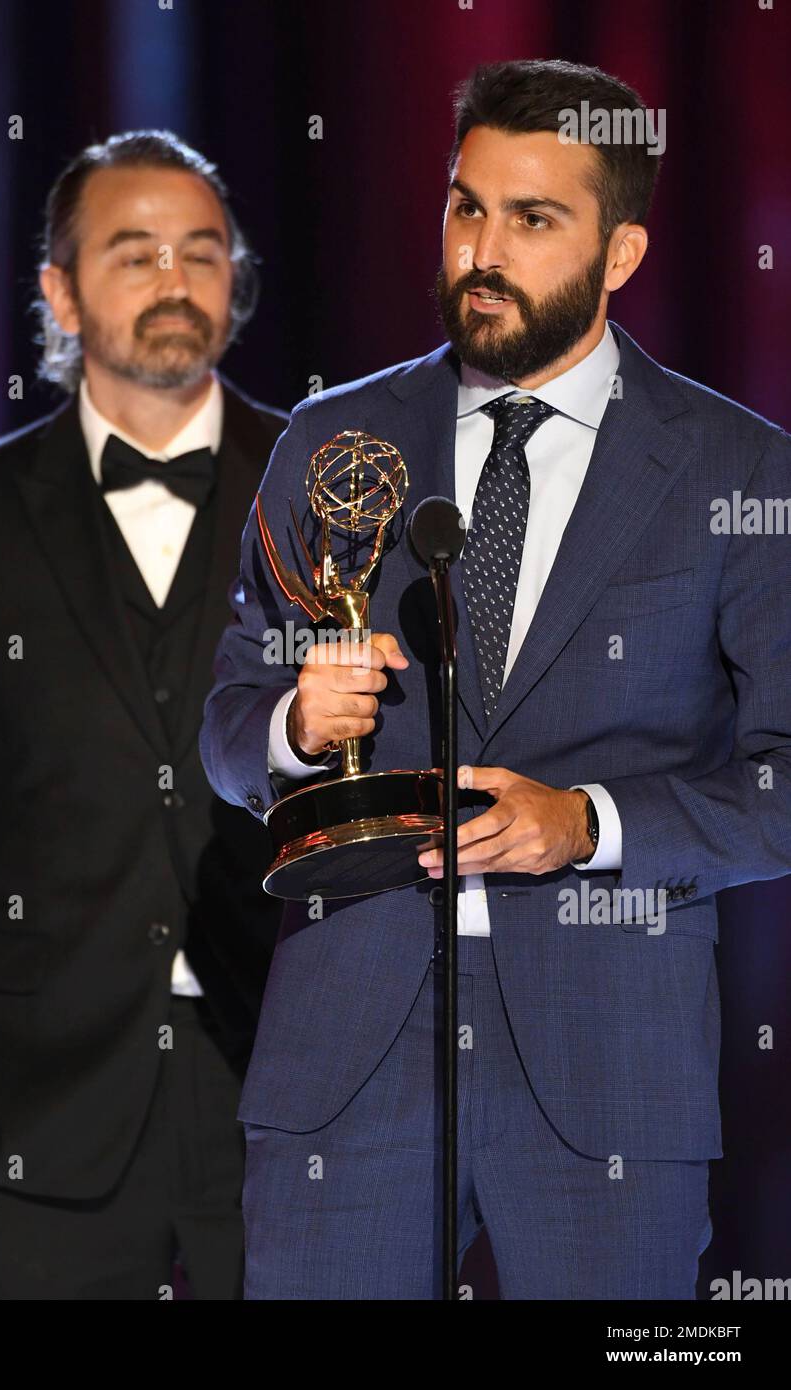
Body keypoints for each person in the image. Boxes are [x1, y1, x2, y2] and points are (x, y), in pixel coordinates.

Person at [200, 60, 791, 1299]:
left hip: (606, 1065)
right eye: (467, 206)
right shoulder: (335, 444)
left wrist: (588, 825)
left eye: (533, 219)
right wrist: (298, 730)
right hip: (346, 1054)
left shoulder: (737, 469)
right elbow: (224, 724)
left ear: (620, 252)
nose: (484, 247)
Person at [0, 130, 285, 1299]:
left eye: (201, 253)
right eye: (134, 251)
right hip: (30, 1108)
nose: (173, 280)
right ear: (58, 288)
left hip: (291, 1102)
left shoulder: (323, 484)